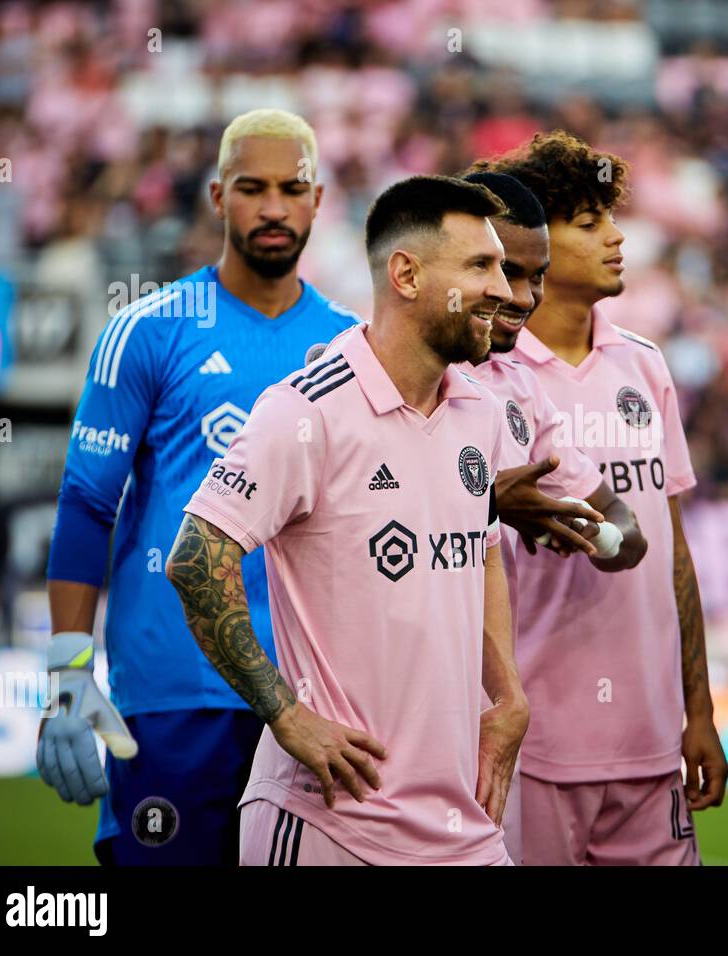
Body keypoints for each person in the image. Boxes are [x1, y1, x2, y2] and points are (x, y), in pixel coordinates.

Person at [166, 174, 527, 865]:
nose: (504, 291)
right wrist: (285, 714)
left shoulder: (482, 412)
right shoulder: (306, 410)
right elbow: (195, 555)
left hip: (462, 831)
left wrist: (508, 693)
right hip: (332, 824)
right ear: (407, 274)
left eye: (503, 269)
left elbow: (478, 552)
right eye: (481, 266)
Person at [38, 109, 360, 865]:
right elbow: (88, 503)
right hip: (174, 697)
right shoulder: (146, 330)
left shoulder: (353, 348)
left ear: (318, 202)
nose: (273, 207)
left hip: (313, 704)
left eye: (292, 188)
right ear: (217, 197)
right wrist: (66, 676)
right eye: (252, 188)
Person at [472, 131, 727, 865]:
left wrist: (699, 711)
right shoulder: (484, 375)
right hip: (534, 746)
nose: (617, 238)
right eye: (589, 223)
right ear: (528, 242)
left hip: (651, 744)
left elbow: (671, 552)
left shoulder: (644, 366)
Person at [455, 170, 649, 863]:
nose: (522, 299)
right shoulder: (353, 375)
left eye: (535, 278)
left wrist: (583, 528)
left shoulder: (521, 390)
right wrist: (488, 501)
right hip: (376, 715)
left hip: (494, 718)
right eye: (504, 272)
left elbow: (629, 534)